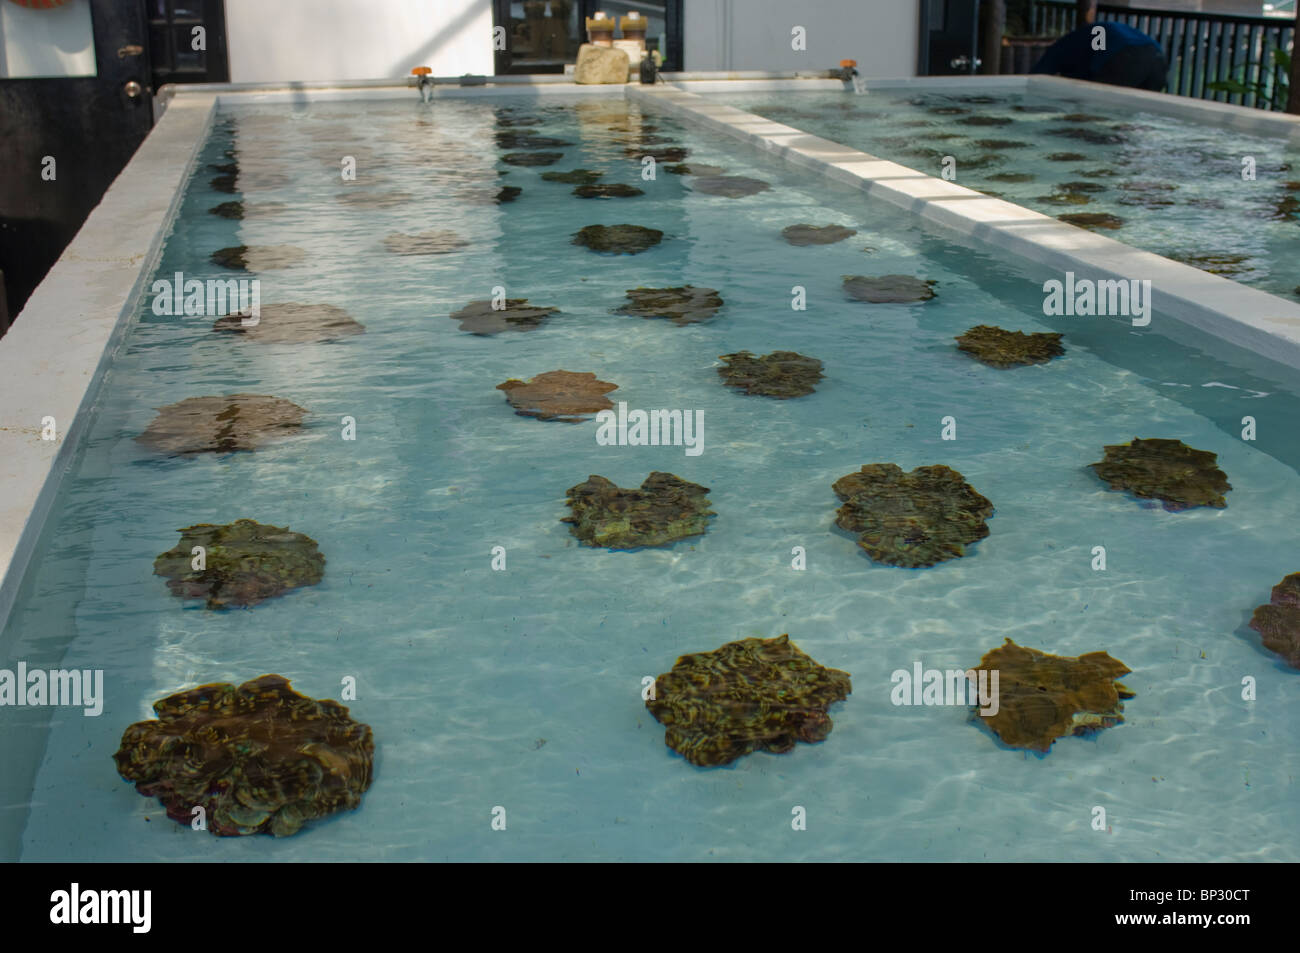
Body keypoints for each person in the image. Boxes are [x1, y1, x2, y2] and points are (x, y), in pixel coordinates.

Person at [1031, 19, 1169, 92]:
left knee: (1097, 108)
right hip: (1158, 57)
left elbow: (1035, 79)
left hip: (1126, 55)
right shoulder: (1081, 42)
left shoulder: (1059, 50)